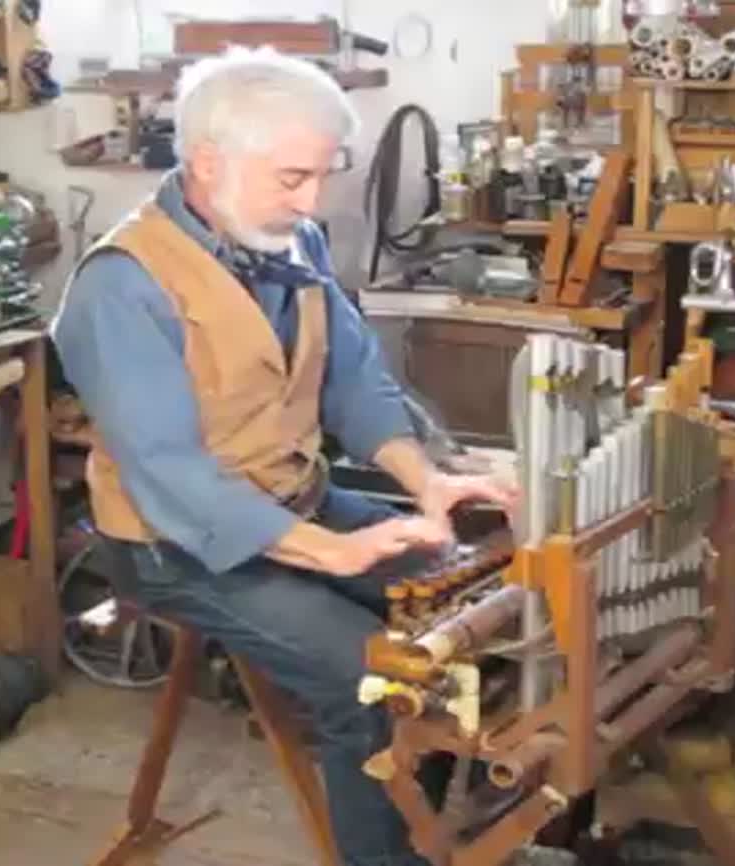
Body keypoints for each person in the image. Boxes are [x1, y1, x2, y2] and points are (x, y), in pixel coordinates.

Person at [50, 46, 516, 866]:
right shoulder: (120, 286)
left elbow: (355, 384)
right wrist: (335, 553)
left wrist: (430, 483)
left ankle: (442, 824)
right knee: (366, 681)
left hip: (297, 499)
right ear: (206, 162)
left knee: (464, 587)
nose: (312, 202)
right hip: (173, 546)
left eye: (322, 176)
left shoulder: (282, 242)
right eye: (292, 178)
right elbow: (173, 480)